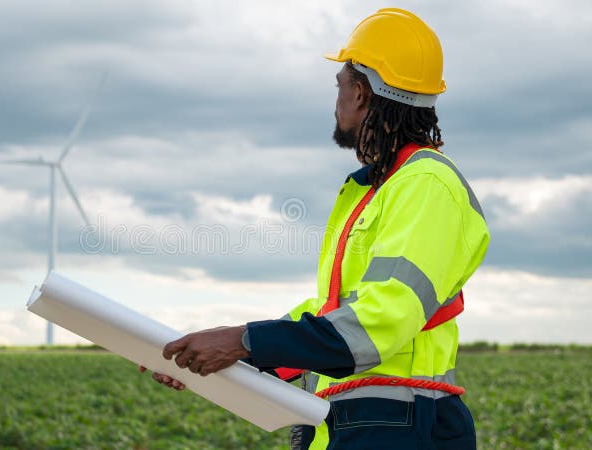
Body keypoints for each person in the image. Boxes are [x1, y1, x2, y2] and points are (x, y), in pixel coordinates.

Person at [142, 8, 490, 449]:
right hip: (360, 423)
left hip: (400, 425)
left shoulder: (426, 184)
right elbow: (332, 311)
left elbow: (378, 321)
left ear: (361, 92)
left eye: (340, 86)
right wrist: (219, 360)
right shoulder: (376, 189)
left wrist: (243, 342)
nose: (338, 100)